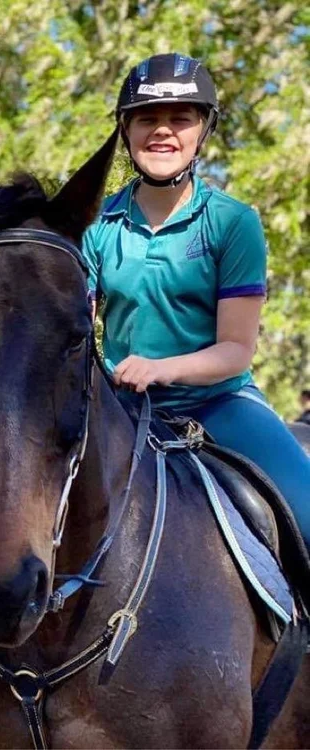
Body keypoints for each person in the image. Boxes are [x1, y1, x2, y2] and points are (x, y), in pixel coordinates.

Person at [82, 53, 310, 550]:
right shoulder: (96, 225)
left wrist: (160, 368)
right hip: (121, 409)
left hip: (218, 403)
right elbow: (73, 324)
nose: (162, 130)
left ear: (203, 130)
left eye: (180, 118)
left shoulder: (233, 223)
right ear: (125, 129)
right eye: (146, 118)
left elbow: (236, 351)